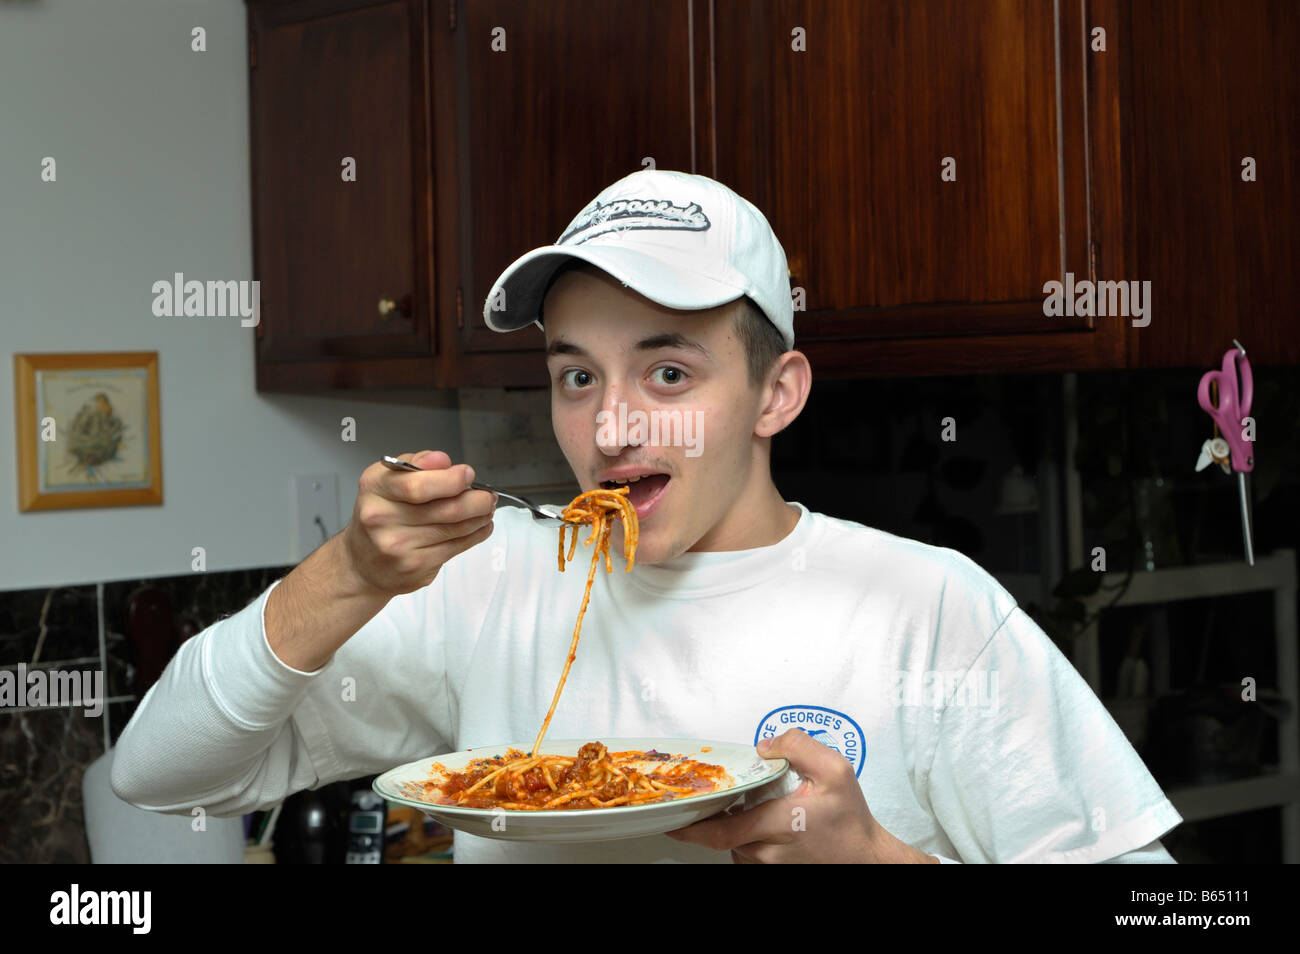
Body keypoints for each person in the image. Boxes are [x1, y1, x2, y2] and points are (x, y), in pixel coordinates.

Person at [112, 170, 1181, 863]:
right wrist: (346, 571)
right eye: (576, 377)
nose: (612, 427)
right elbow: (158, 774)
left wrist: (880, 862)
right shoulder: (489, 583)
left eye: (667, 371)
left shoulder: (925, 606)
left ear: (776, 394)